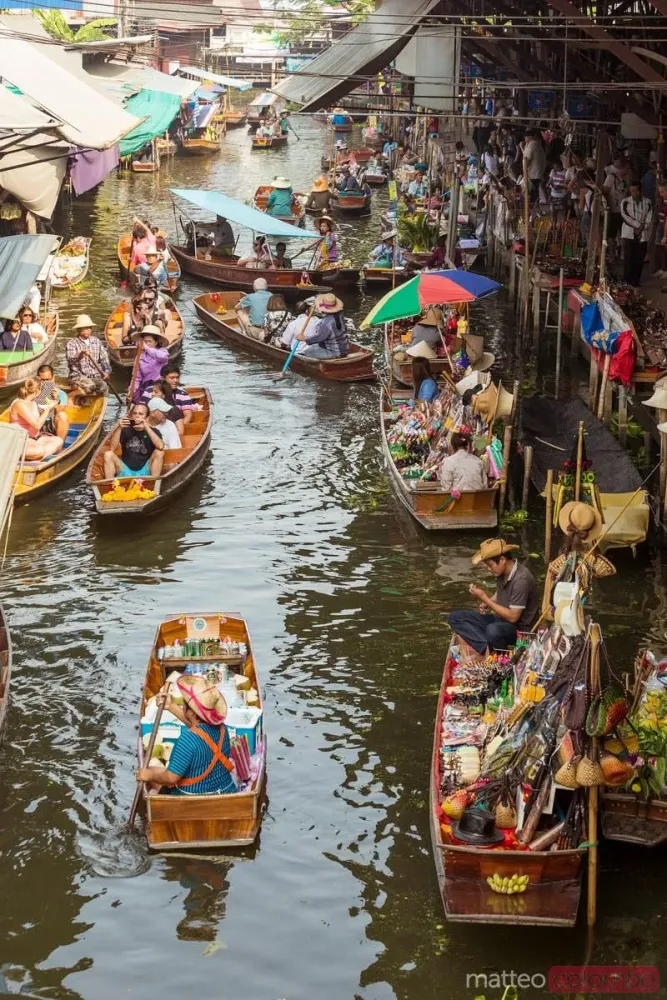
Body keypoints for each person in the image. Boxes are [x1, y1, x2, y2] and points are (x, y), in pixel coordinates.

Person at [136, 674, 236, 796]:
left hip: (192, 797)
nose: (182, 706)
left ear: (191, 713)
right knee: (155, 770)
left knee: (152, 772)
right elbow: (199, 729)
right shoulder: (222, 728)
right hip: (226, 790)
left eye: (184, 705)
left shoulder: (188, 739)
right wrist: (171, 706)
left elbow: (171, 778)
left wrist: (149, 775)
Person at [448, 539, 539, 658]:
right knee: (455, 617)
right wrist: (488, 602)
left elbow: (513, 617)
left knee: (493, 631)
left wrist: (485, 598)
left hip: (521, 630)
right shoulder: (503, 572)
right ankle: (486, 648)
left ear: (502, 560)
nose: (489, 569)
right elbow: (500, 592)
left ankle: (497, 655)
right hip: (500, 620)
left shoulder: (521, 580)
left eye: (490, 565)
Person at [103, 402, 164, 480]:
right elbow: (112, 448)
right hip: (125, 470)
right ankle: (110, 486)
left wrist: (146, 428)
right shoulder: (125, 430)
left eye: (141, 414)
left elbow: (161, 447)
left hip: (145, 471)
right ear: (131, 415)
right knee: (108, 454)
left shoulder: (153, 431)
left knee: (159, 452)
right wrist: (119, 428)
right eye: (135, 413)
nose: (137, 416)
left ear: (147, 417)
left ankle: (153, 483)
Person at [9, 377, 63, 460]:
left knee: (59, 440)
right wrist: (48, 409)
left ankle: (37, 456)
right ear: (38, 391)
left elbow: (38, 416)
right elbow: (37, 425)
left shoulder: (33, 403)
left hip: (34, 439)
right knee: (39, 450)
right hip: (21, 440)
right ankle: (37, 455)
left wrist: (52, 404)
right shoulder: (19, 404)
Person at [65, 314, 110, 399]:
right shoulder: (71, 343)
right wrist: (80, 355)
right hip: (78, 377)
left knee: (104, 386)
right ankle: (77, 395)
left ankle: (100, 404)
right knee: (90, 386)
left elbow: (104, 359)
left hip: (95, 376)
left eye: (89, 327)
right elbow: (70, 360)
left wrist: (106, 372)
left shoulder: (96, 341)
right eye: (85, 328)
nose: (88, 330)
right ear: (79, 330)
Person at [296, 293, 349, 359]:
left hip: (335, 352)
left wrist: (304, 338)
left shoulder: (326, 322)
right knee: (313, 346)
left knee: (306, 352)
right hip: (344, 349)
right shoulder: (340, 314)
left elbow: (319, 338)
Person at [621, 180, 653, 286]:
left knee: (639, 258)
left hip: (642, 234)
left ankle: (635, 280)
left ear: (640, 191)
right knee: (628, 257)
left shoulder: (647, 202)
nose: (633, 193)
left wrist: (643, 227)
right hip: (628, 233)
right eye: (631, 191)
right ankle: (626, 280)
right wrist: (638, 226)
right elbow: (625, 216)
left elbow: (649, 217)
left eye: (635, 191)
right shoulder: (625, 201)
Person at [131, 325, 170, 402]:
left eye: (150, 341)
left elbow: (163, 357)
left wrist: (147, 348)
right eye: (145, 342)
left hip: (161, 386)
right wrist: (131, 391)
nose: (147, 344)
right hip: (146, 387)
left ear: (156, 343)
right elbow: (136, 378)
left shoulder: (162, 351)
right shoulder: (139, 357)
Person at [602, 155, 630, 257]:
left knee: (624, 233)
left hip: (624, 211)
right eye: (627, 168)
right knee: (612, 234)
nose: (628, 171)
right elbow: (604, 191)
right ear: (621, 168)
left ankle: (622, 254)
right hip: (613, 210)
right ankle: (611, 254)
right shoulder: (611, 177)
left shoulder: (626, 179)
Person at [36, 364, 69, 441]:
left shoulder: (61, 394)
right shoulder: (33, 392)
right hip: (36, 422)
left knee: (62, 416)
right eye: (43, 380)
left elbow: (60, 411)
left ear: (53, 378)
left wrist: (56, 400)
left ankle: (59, 444)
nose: (46, 383)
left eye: (48, 380)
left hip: (52, 424)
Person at [522, 129, 546, 203]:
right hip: (536, 172)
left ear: (529, 137)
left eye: (525, 138)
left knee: (533, 190)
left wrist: (525, 172)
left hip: (533, 172)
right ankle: (535, 203)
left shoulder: (533, 144)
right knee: (535, 188)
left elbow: (527, 159)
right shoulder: (536, 143)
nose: (525, 139)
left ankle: (534, 203)